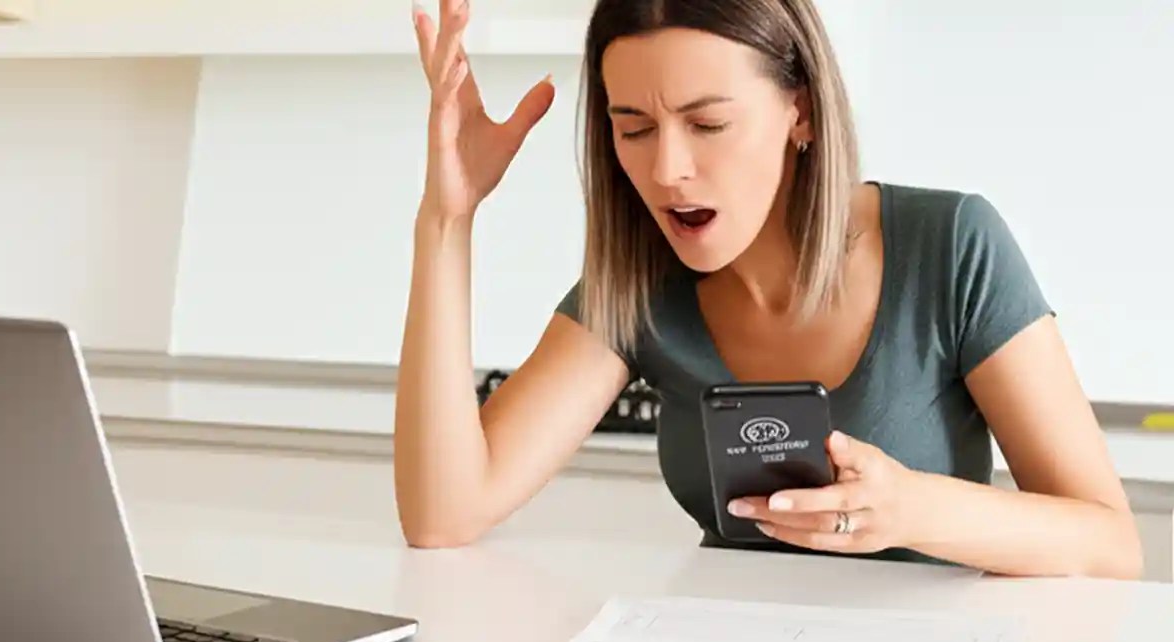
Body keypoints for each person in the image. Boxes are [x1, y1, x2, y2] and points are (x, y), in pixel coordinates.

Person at [393, 0, 1144, 579]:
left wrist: (911, 510)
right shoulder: (637, 288)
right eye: (634, 129)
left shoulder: (951, 245)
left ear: (802, 111)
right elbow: (444, 514)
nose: (667, 171)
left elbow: (1111, 544)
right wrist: (446, 219)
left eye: (707, 124)